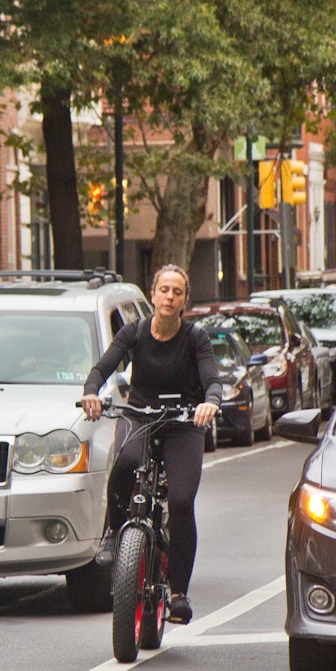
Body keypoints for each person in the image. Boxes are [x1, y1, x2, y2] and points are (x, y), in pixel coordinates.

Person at [79, 264, 218, 624]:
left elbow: (211, 379)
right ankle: (113, 533)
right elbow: (101, 368)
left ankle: (178, 593)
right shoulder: (134, 332)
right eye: (164, 290)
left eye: (177, 292)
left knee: (181, 501)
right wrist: (91, 392)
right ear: (153, 295)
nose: (170, 297)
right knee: (124, 464)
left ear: (185, 300)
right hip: (140, 415)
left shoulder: (195, 338)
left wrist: (210, 402)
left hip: (183, 423)